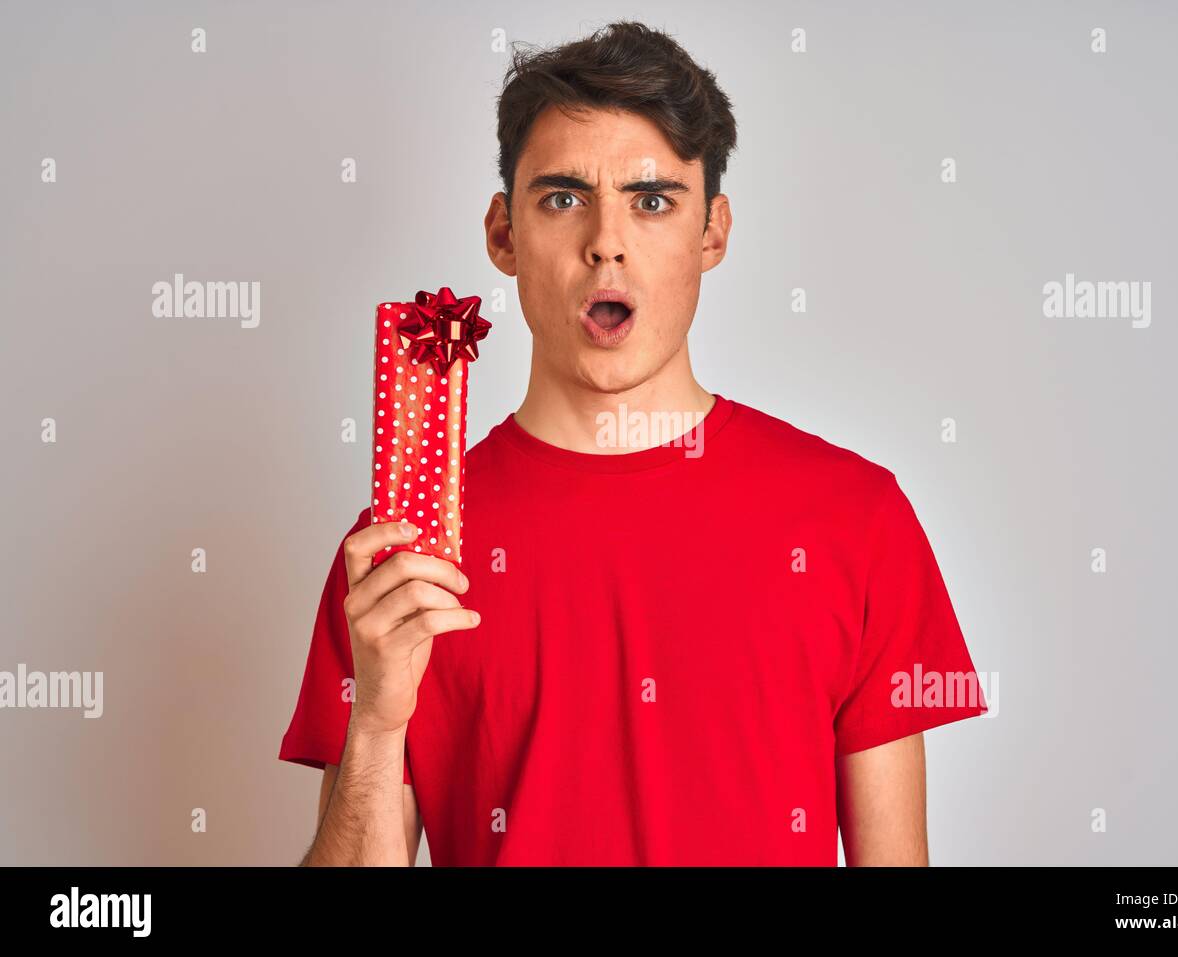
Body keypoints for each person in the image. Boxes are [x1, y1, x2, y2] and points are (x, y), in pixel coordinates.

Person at [279, 19, 987, 866]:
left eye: (652, 201)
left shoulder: (857, 517)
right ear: (504, 234)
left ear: (712, 232)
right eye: (564, 197)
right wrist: (376, 723)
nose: (605, 240)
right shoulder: (406, 549)